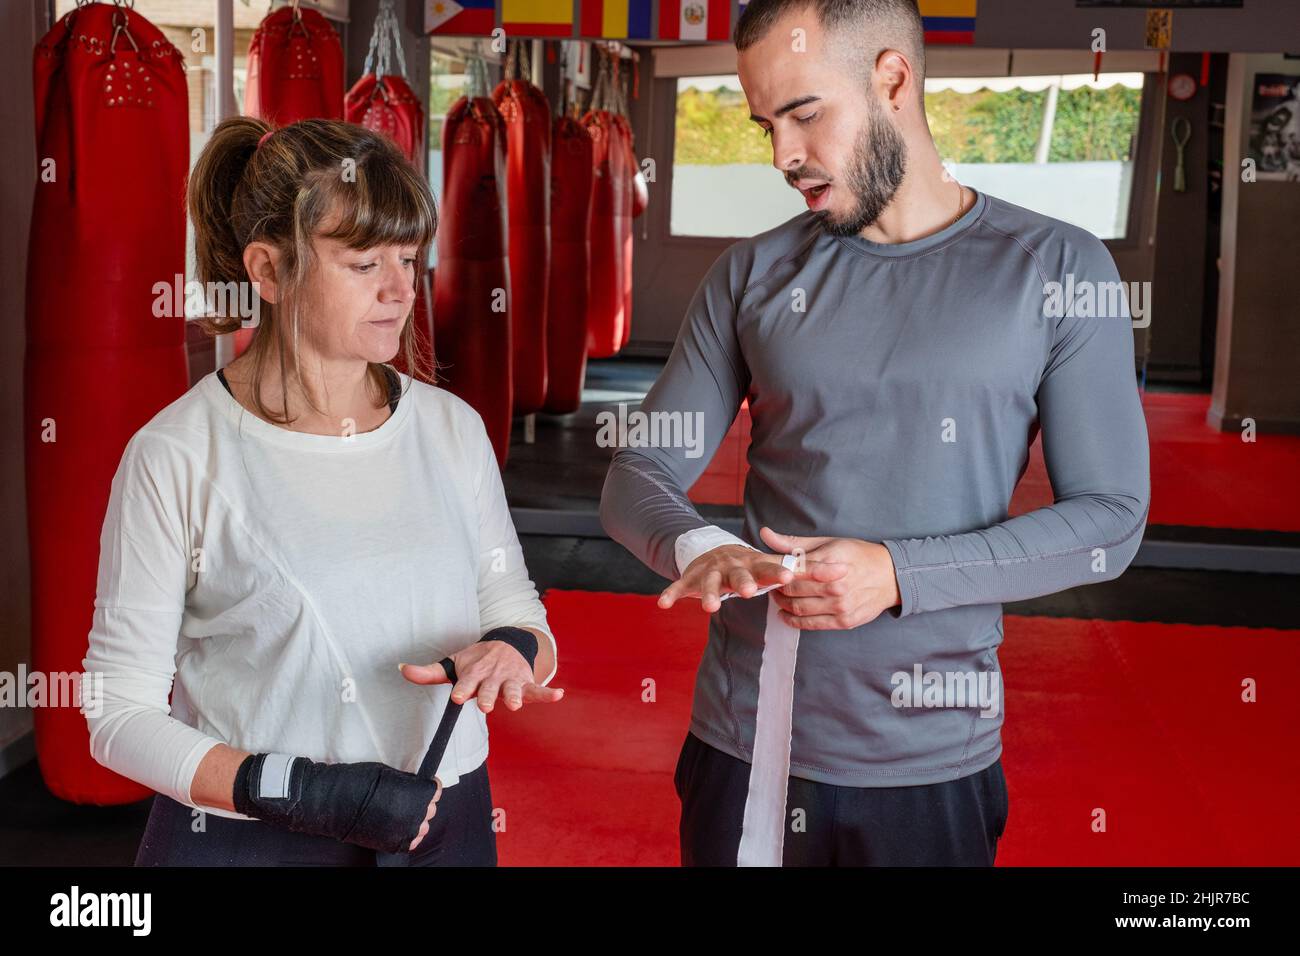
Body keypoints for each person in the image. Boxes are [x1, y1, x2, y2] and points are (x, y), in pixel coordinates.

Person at [600, 0, 1150, 866]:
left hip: (930, 756)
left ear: (892, 79)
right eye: (763, 124)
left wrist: (899, 573)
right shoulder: (751, 274)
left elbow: (1111, 518)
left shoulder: (1059, 268)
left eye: (804, 113)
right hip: (750, 739)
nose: (782, 155)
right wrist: (698, 543)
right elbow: (636, 471)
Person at [83, 117, 563, 867]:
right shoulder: (175, 456)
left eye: (409, 257)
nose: (403, 288)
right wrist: (300, 789)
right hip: (256, 834)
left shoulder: (451, 428)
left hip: (443, 819)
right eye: (365, 261)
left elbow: (517, 615)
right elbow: (117, 715)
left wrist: (512, 651)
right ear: (269, 272)